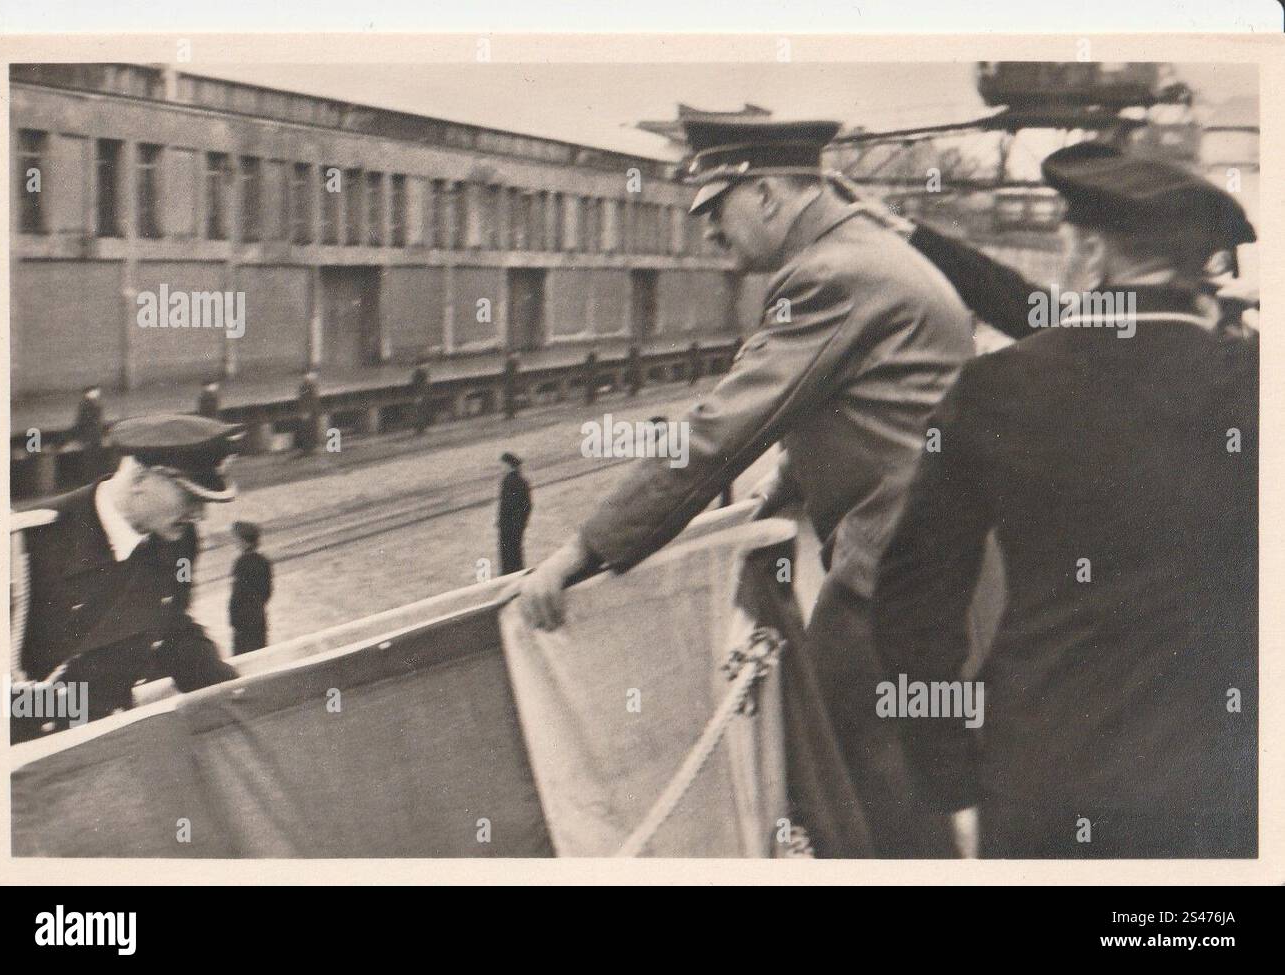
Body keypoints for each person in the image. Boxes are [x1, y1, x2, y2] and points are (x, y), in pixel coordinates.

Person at [517, 118, 1019, 857]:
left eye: (715, 208)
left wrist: (580, 552)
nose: (710, 233)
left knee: (854, 784)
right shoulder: (868, 255)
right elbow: (855, 414)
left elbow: (717, 435)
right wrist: (778, 497)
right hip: (940, 570)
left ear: (766, 193)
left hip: (899, 585)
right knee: (886, 790)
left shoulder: (829, 276)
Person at [872, 141, 1258, 858]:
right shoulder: (1257, 386)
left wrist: (947, 774)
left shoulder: (996, 389)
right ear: (1200, 268)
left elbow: (910, 599)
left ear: (1087, 252)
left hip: (1040, 782)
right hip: (1227, 791)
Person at [10, 414, 243, 744]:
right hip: (38, 755)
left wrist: (235, 692)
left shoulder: (178, 540)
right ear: (139, 479)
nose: (199, 515)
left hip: (114, 745)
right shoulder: (29, 544)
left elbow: (168, 627)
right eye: (190, 498)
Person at [229, 520, 273, 654]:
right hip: (259, 617)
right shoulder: (264, 561)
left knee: (242, 657)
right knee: (260, 654)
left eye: (236, 539)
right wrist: (258, 605)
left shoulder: (240, 563)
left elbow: (237, 594)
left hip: (243, 621)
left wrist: (234, 617)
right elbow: (268, 591)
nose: (235, 542)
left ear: (244, 541)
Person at [497, 452, 532, 575]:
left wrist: (504, 523)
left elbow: (506, 507)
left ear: (508, 465)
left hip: (508, 527)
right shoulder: (522, 481)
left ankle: (509, 577)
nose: (501, 468)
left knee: (507, 556)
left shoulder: (508, 481)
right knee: (517, 553)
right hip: (517, 526)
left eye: (502, 465)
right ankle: (518, 575)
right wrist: (521, 522)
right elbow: (528, 505)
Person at [73, 385, 105, 481]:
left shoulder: (90, 404)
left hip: (93, 436)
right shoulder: (88, 405)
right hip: (91, 436)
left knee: (93, 459)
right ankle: (91, 479)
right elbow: (82, 422)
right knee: (91, 459)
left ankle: (91, 478)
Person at [295, 370, 321, 455]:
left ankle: (310, 448)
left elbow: (308, 400)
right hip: (308, 412)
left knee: (311, 430)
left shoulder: (308, 387)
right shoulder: (306, 387)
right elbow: (304, 401)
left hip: (311, 412)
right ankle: (308, 449)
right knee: (308, 430)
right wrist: (305, 412)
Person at [410, 364, 432, 436]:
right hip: (421, 395)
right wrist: (419, 395)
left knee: (421, 411)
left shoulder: (418, 372)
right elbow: (419, 385)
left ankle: (421, 429)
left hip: (422, 395)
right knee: (420, 412)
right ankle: (420, 429)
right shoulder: (421, 373)